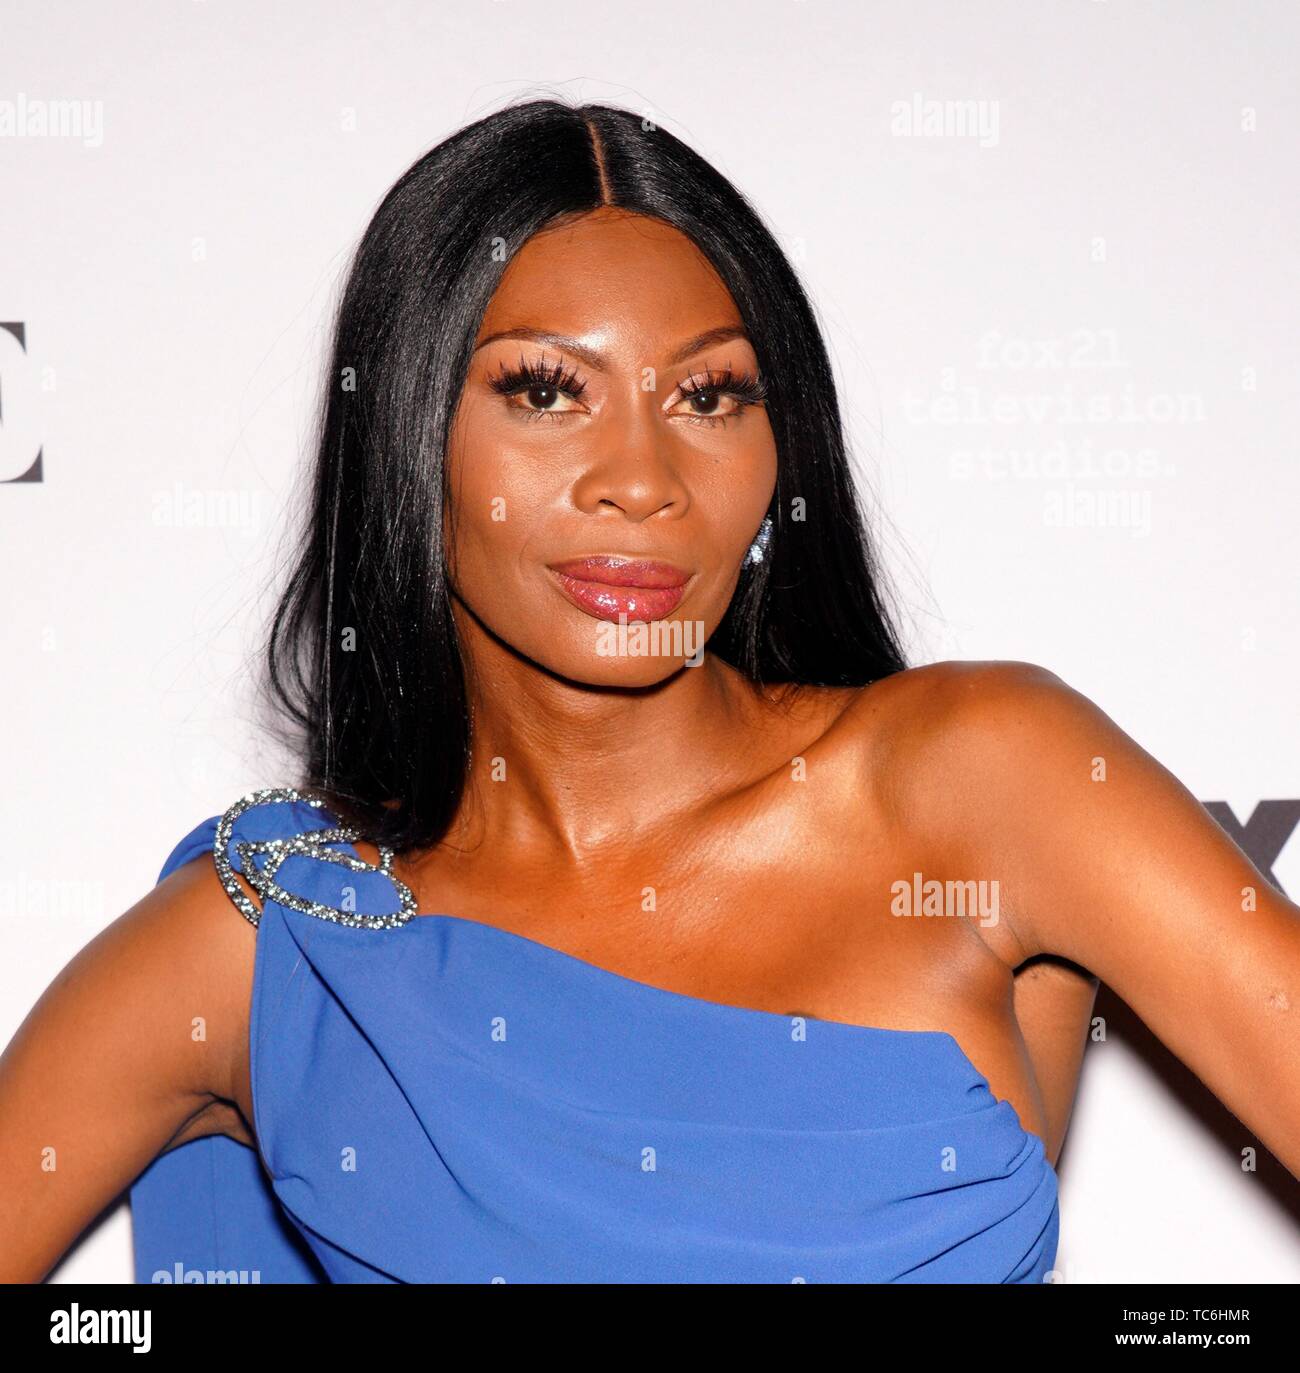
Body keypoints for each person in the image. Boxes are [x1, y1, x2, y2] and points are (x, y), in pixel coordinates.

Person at [2, 99, 1296, 1284]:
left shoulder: (987, 784)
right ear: (410, 435)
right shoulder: (274, 944)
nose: (642, 474)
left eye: (710, 394)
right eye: (548, 390)